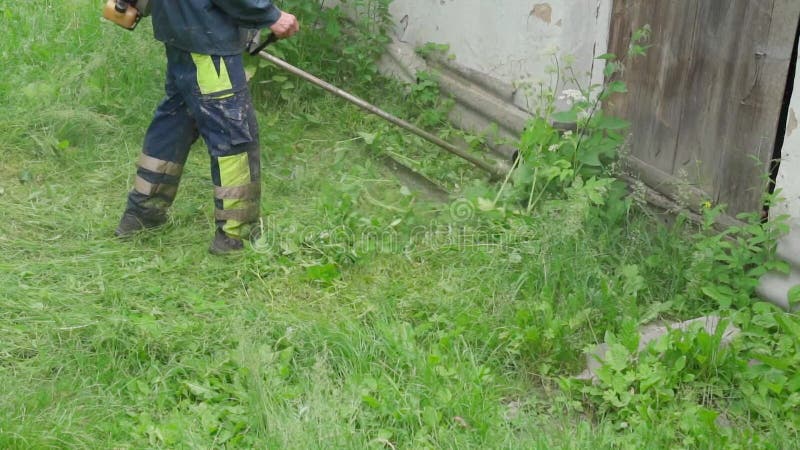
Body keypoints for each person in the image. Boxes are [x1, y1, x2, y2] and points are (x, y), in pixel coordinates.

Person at [114, 0, 299, 254]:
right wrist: (269, 14)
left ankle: (142, 213)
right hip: (206, 36)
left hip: (180, 30)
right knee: (234, 134)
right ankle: (235, 234)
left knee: (175, 122)